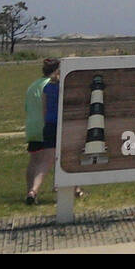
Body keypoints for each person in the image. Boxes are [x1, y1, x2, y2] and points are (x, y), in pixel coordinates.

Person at [41, 60, 84, 200]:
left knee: (55, 157)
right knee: (71, 157)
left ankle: (58, 183)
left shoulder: (48, 87)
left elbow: (44, 108)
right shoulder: (67, 87)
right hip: (66, 125)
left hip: (50, 124)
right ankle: (76, 187)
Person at [24, 59, 57, 204]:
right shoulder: (50, 85)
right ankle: (70, 188)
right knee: (53, 159)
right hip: (46, 125)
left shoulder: (32, 85)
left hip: (31, 127)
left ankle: (30, 192)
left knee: (34, 161)